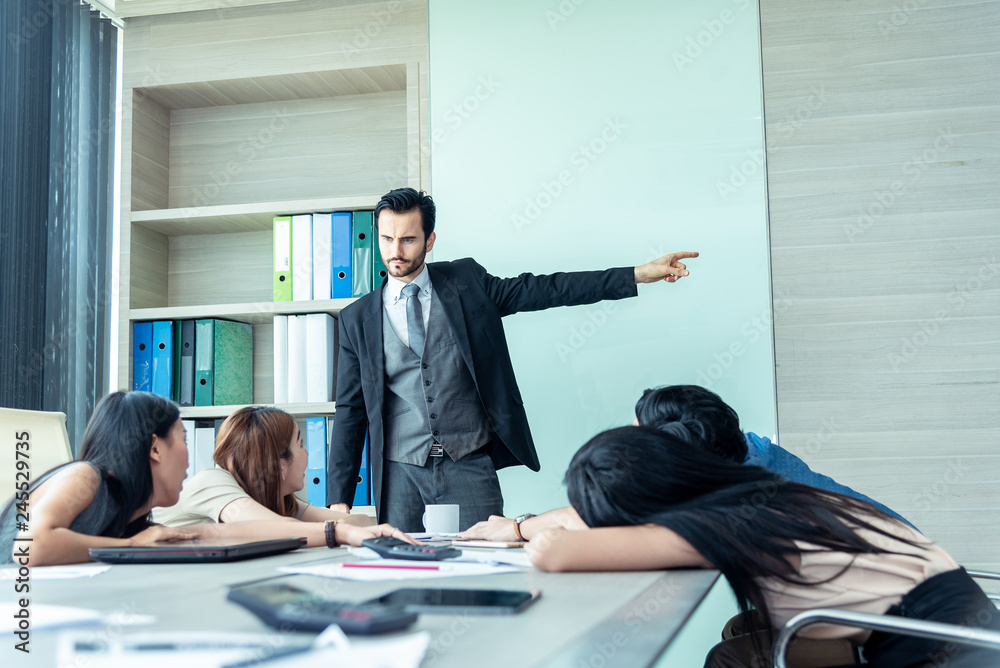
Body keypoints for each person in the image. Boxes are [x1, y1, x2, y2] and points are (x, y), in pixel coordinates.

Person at [328, 187, 698, 532]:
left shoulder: (467, 283)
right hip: (399, 471)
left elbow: (546, 289)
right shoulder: (356, 319)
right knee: (401, 574)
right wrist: (339, 500)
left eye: (408, 239)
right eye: (386, 238)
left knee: (485, 569)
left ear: (430, 240)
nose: (396, 250)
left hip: (468, 462)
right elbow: (351, 410)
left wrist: (635, 274)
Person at [525, 425, 1000, 668]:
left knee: (730, 657)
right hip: (958, 638)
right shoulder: (758, 493)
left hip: (941, 658)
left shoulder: (727, 521)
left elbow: (554, 552)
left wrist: (531, 529)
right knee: (741, 639)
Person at [459, 384, 914, 542]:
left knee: (734, 653)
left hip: (910, 638)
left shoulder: (734, 495)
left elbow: (602, 521)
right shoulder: (744, 451)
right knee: (734, 644)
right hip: (914, 613)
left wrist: (519, 528)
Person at [0, 392, 411, 567]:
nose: (189, 456)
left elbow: (213, 535)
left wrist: (339, 533)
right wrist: (129, 546)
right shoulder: (85, 476)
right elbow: (29, 547)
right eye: (182, 438)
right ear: (155, 448)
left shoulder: (139, 519)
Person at [634, 384, 914, 529]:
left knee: (740, 637)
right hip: (928, 584)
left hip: (903, 619)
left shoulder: (738, 501)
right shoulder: (750, 448)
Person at [154, 405, 373, 528]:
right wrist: (339, 531)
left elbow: (362, 522)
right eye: (301, 444)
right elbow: (271, 529)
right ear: (277, 462)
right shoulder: (213, 481)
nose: (308, 454)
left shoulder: (278, 501)